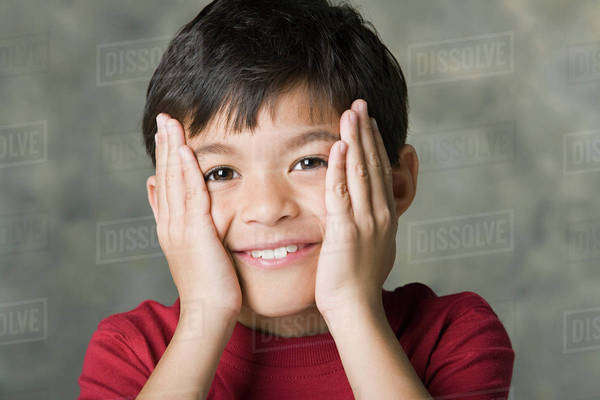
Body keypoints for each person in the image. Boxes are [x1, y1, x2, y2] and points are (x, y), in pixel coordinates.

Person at [78, 0, 515, 398]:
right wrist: (205, 315)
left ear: (396, 184)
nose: (268, 209)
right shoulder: (133, 351)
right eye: (221, 173)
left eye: (309, 162)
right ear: (164, 205)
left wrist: (350, 306)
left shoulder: (453, 335)